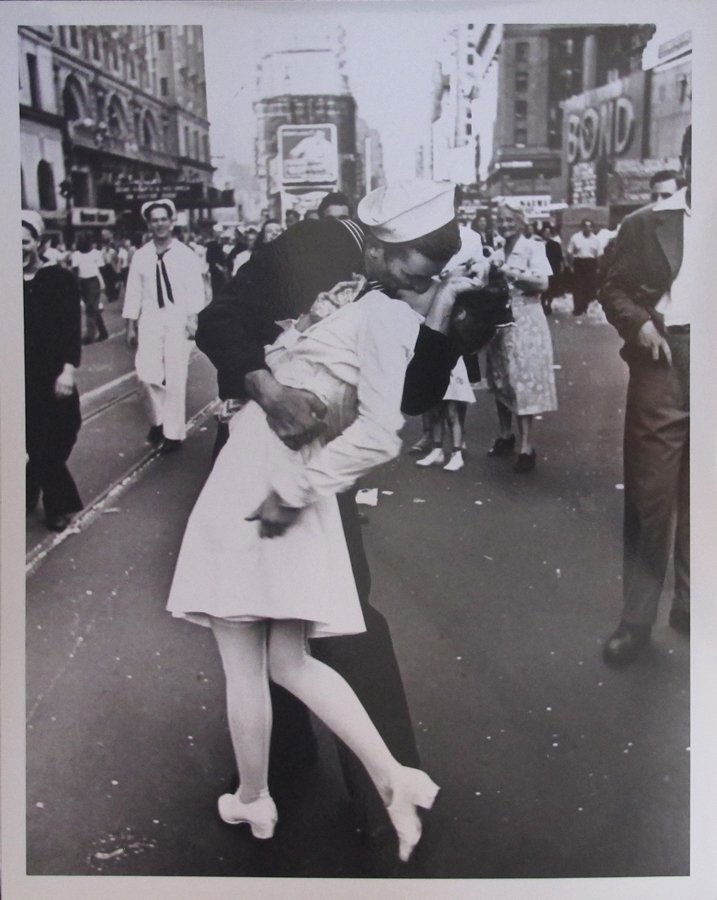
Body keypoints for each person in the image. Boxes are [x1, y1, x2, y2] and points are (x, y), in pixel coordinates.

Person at [168, 181, 504, 861]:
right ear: (379, 244)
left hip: (312, 469)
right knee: (279, 643)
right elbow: (221, 320)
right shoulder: (321, 244)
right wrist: (270, 392)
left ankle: (372, 793)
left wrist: (442, 322)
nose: (417, 283)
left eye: (432, 275)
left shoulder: (409, 296)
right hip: (268, 444)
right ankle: (284, 768)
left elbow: (408, 400)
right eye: (414, 269)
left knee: (330, 625)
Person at [599, 126, 692, 665]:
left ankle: (693, 604)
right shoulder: (646, 223)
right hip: (666, 359)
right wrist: (639, 324)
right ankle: (636, 621)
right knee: (650, 497)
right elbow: (611, 287)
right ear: (687, 161)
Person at [122, 198, 206, 454]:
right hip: (150, 319)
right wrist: (130, 325)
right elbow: (133, 292)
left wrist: (193, 320)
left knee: (176, 376)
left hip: (178, 319)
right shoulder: (141, 256)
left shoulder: (185, 255)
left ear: (172, 222)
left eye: (163, 219)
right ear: (148, 224)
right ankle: (158, 420)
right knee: (145, 375)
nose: (159, 224)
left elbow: (195, 290)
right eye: (154, 220)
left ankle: (173, 433)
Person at [485, 199, 557, 473]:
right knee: (501, 379)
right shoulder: (497, 250)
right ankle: (506, 435)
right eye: (501, 220)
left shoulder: (533, 248)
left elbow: (543, 282)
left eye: (510, 220)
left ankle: (526, 446)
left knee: (523, 381)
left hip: (526, 320)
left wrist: (506, 271)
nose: (505, 224)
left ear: (521, 221)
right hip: (500, 320)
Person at [23, 210, 84, 532]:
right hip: (19, 376)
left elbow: (71, 328)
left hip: (54, 372)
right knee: (37, 440)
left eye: (24, 241)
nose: (17, 248)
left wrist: (68, 370)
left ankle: (31, 480)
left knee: (65, 430)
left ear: (38, 242)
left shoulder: (59, 279)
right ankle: (57, 506)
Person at [71, 234, 108, 344]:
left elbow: (102, 268)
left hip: (93, 282)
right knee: (92, 308)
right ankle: (103, 332)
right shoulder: (76, 254)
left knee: (90, 309)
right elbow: (75, 272)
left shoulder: (95, 253)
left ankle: (89, 336)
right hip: (83, 282)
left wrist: (103, 284)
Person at [566, 219, 602, 316]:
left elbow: (599, 255)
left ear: (592, 228)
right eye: (585, 226)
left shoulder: (596, 239)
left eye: (590, 226)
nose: (587, 228)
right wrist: (570, 265)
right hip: (579, 263)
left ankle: (584, 307)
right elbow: (569, 252)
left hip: (591, 264)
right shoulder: (575, 237)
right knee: (578, 286)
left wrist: (598, 268)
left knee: (588, 286)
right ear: (582, 227)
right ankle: (577, 308)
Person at [539, 223, 564, 316]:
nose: (547, 234)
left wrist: (561, 267)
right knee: (542, 287)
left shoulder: (555, 244)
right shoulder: (538, 244)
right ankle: (542, 304)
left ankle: (549, 304)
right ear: (542, 233)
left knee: (551, 288)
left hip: (552, 268)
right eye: (545, 232)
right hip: (541, 268)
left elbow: (560, 257)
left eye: (548, 233)